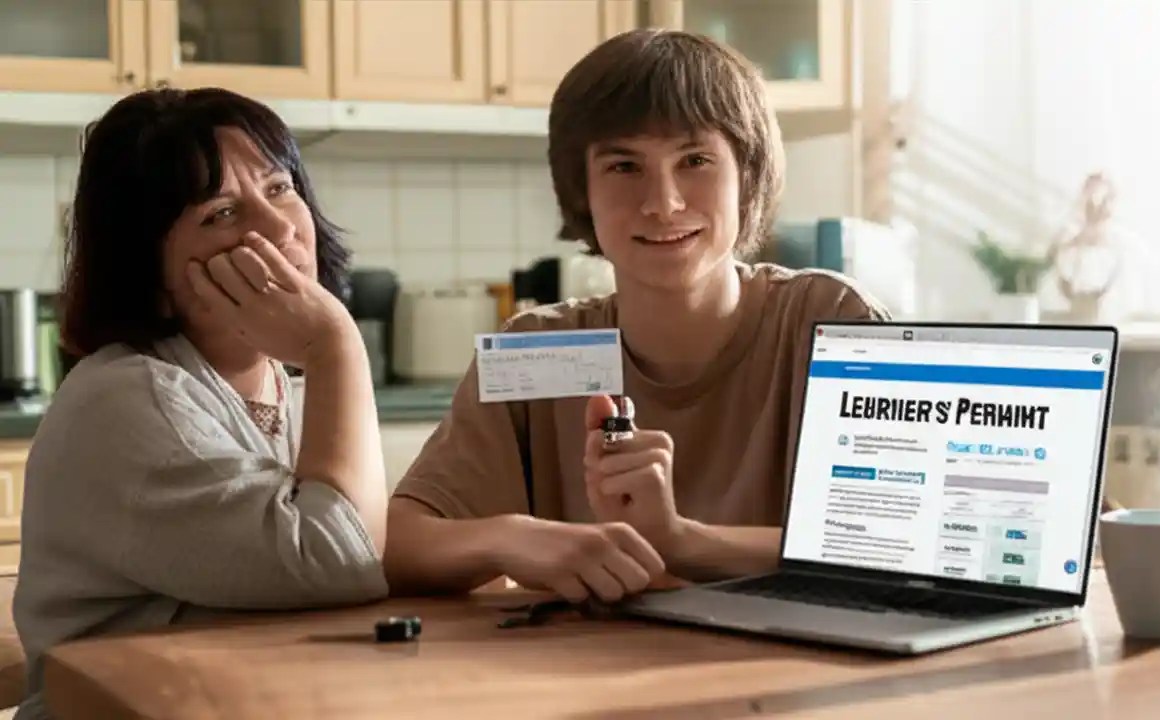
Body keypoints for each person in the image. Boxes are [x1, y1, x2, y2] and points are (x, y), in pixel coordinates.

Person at [384, 28, 888, 601]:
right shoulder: (535, 353)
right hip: (591, 658)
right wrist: (508, 538)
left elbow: (893, 550)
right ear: (581, 191)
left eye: (695, 160)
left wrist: (680, 541)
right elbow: (397, 545)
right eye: (624, 167)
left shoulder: (830, 322)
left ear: (747, 177)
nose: (663, 203)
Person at [13, 88, 388, 720]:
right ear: (149, 269)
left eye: (279, 188)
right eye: (221, 213)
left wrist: (499, 543)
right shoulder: (130, 395)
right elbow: (340, 559)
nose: (279, 229)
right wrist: (336, 345)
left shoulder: (270, 377)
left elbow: (361, 531)